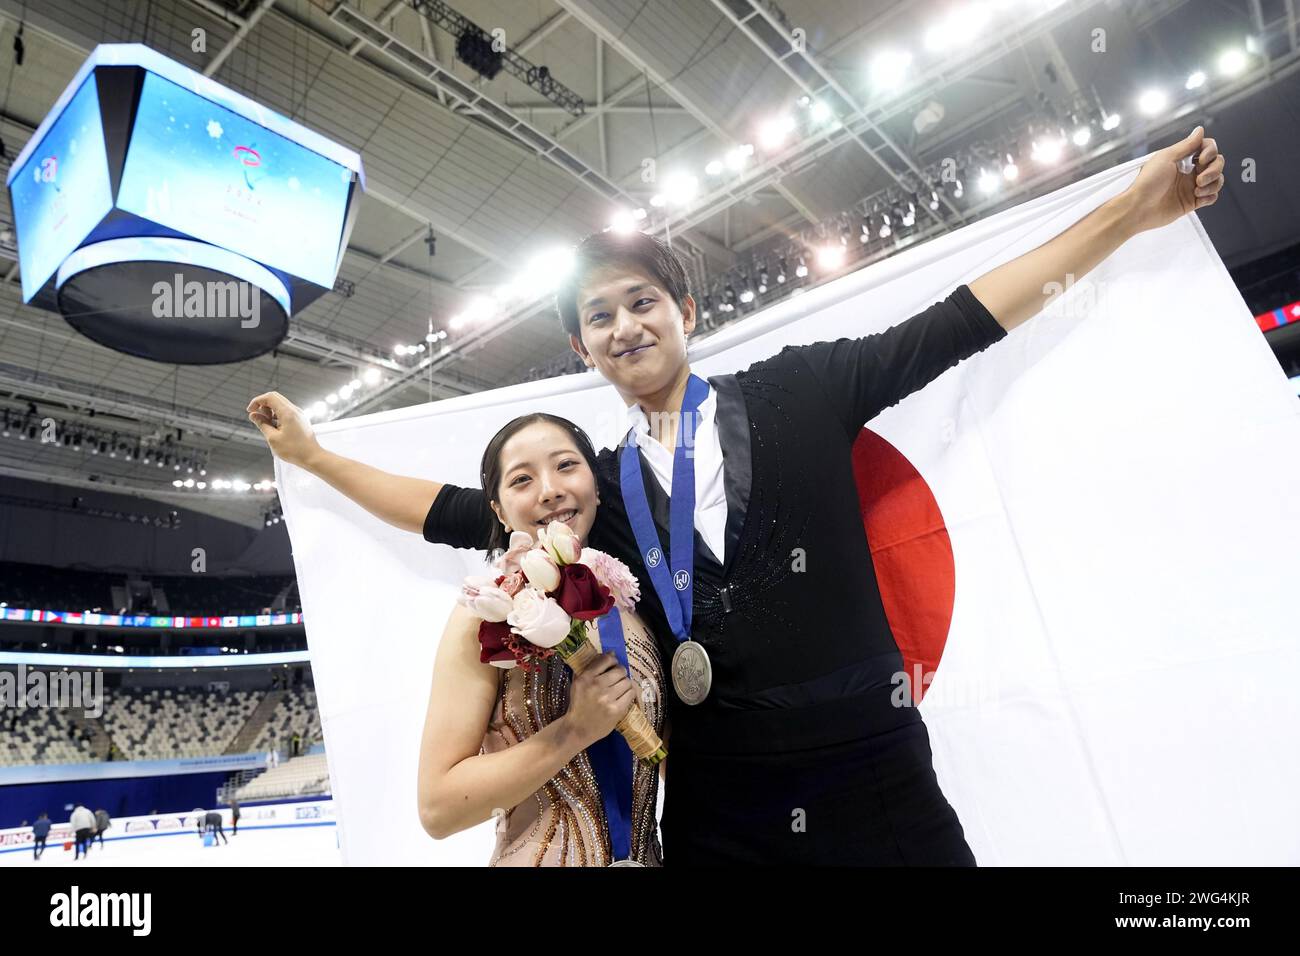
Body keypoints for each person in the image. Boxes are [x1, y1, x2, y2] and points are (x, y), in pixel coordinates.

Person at [248, 128, 1225, 864]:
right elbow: (452, 509)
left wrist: (1129, 213)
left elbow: (960, 320)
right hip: (720, 799)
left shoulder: (804, 386)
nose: (625, 324)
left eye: (642, 301)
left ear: (687, 312)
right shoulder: (596, 495)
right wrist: (320, 457)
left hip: (872, 763)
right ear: (583, 350)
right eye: (599, 316)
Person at [411, 414, 665, 865]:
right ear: (499, 510)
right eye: (523, 479)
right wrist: (574, 730)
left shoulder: (634, 598)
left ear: (597, 486)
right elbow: (438, 808)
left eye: (566, 465)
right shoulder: (485, 614)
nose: (549, 489)